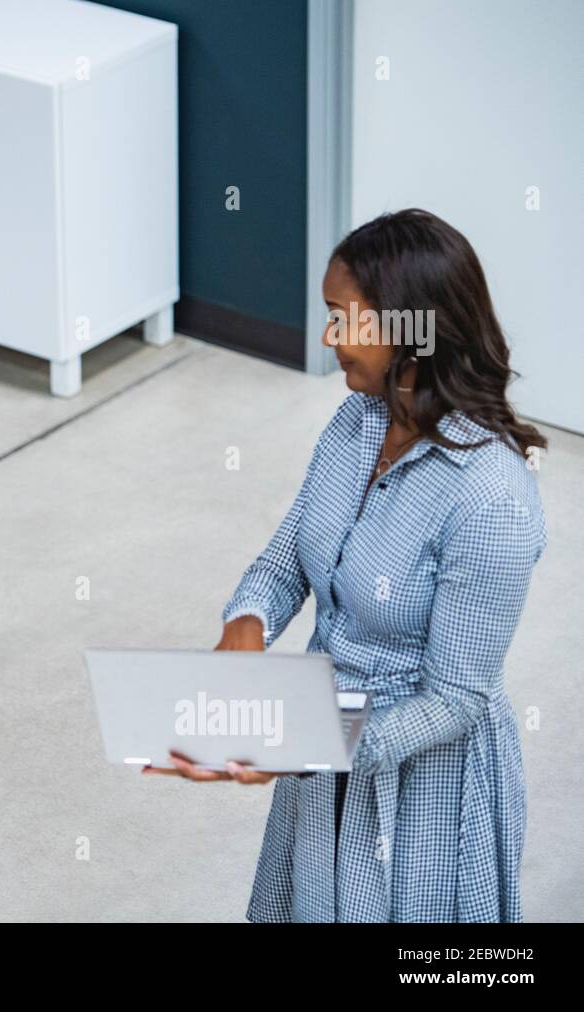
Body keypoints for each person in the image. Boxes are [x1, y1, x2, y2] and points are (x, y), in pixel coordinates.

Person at [146, 209, 547, 922]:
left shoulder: (493, 499)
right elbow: (287, 560)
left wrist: (300, 740)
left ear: (410, 331)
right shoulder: (356, 422)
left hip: (419, 784)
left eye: (343, 319)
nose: (328, 338)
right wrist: (246, 626)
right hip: (318, 742)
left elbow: (454, 701)